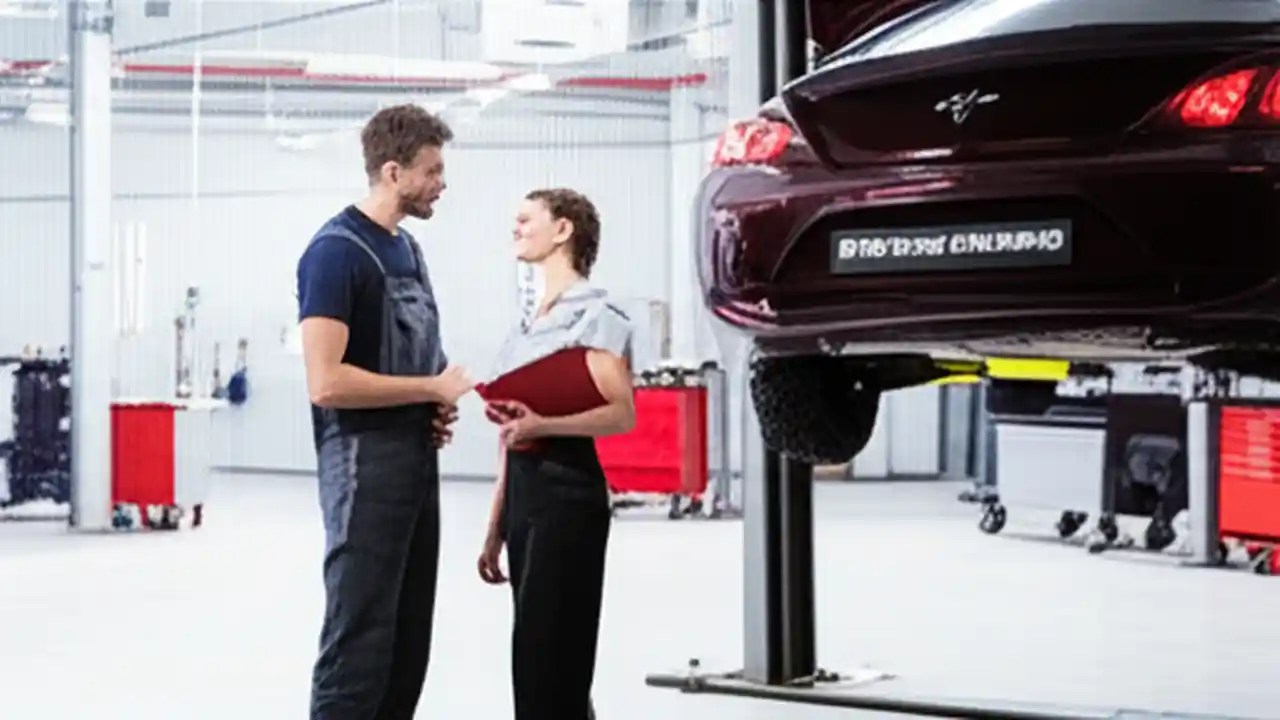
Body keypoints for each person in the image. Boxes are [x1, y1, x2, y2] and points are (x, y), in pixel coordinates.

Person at [296, 103, 474, 720]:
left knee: (407, 635)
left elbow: (424, 354)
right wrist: (428, 391)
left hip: (414, 466)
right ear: (394, 172)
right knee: (361, 636)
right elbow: (326, 381)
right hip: (362, 469)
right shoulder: (334, 253)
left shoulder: (409, 252)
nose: (442, 183)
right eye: (433, 170)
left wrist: (437, 401)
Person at [477, 188, 636, 720]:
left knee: (554, 658)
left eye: (525, 219)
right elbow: (511, 430)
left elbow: (621, 413)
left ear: (563, 230)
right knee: (535, 653)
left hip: (568, 492)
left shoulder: (596, 315)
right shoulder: (525, 326)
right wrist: (497, 521)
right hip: (526, 493)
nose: (515, 229)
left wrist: (545, 422)